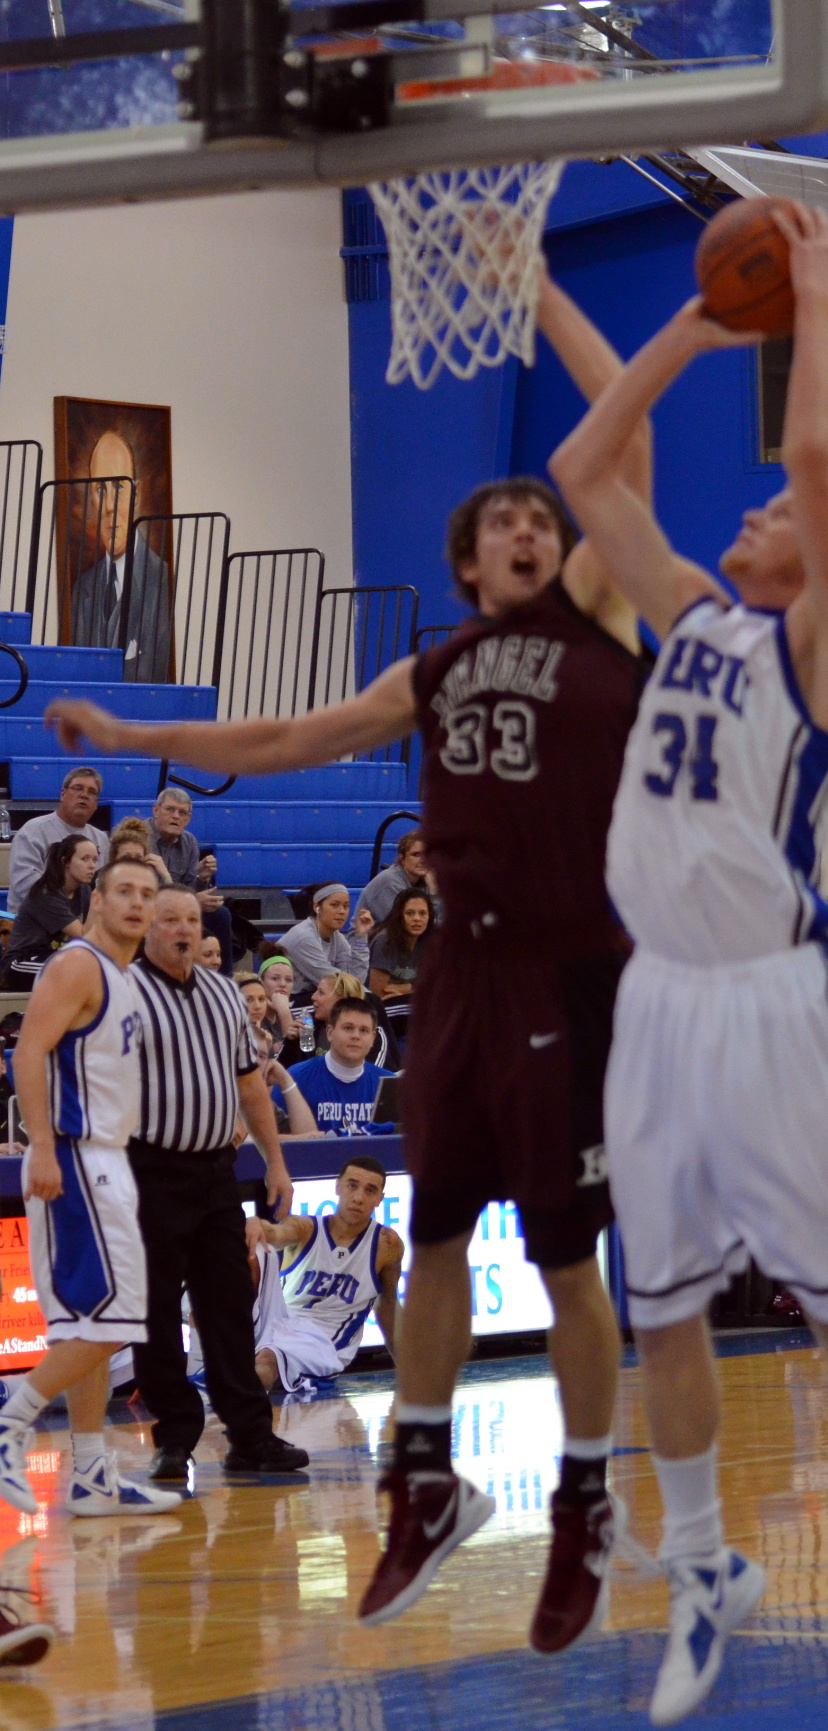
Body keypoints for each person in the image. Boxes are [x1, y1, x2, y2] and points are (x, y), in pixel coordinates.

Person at [46, 267, 652, 1656]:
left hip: (570, 972)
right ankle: (426, 1477)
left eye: (538, 519)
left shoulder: (594, 625)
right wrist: (139, 734)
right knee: (432, 1233)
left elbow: (632, 444)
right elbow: (276, 740)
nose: (526, 528)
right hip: (458, 983)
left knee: (567, 1259)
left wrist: (544, 288)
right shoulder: (428, 680)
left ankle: (586, 1498)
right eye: (500, 521)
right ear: (465, 568)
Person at [549, 204, 828, 1720]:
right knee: (663, 1306)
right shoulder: (696, 617)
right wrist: (688, 331)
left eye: (779, 515)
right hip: (657, 994)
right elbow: (591, 469)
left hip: (773, 1000)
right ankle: (708, 1567)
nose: (757, 511)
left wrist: (822, 286)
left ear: (824, 556)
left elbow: (815, 468)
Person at [0, 859, 182, 1517]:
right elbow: (26, 1052)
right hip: (75, 1156)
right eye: (124, 892)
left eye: (146, 893)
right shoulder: (78, 964)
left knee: (92, 1321)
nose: (137, 902)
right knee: (120, 1315)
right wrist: (43, 1145)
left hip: (105, 1156)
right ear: (97, 901)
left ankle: (92, 1476)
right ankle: (9, 1422)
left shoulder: (126, 975)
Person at [127, 885, 309, 1483]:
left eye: (191, 919)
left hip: (216, 1174)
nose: (183, 929)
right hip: (148, 1171)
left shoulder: (224, 996)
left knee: (228, 1306)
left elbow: (250, 1085)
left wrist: (275, 1162)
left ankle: (251, 1436)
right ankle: (174, 1437)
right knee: (155, 1312)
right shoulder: (122, 991)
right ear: (147, 927)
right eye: (169, 919)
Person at [249, 1153, 403, 1390]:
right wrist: (255, 1224)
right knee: (254, 1246)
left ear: (379, 1199)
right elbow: (274, 1234)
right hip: (279, 1323)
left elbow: (388, 1305)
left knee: (267, 1360)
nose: (359, 1198)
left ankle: (239, 1415)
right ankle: (196, 1312)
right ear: (338, 1187)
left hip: (325, 1343)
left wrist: (410, 1373)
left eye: (370, 1191)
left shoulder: (387, 1244)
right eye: (352, 1186)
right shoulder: (305, 1228)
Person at [71, 430, 171, 683]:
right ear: (91, 498)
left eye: (119, 487)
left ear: (136, 495)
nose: (109, 506)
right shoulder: (83, 587)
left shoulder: (160, 577)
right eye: (100, 490)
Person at [275, 998, 394, 1136]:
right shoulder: (295, 1078)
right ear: (330, 1032)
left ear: (373, 1038)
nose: (356, 1036)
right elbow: (271, 1138)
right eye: (348, 1028)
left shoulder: (388, 1085)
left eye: (364, 1030)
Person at [147, 787, 233, 975]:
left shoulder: (189, 842)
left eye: (182, 812)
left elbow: (189, 886)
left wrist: (201, 878)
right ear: (156, 810)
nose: (176, 816)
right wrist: (194, 901)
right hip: (148, 908)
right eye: (170, 809)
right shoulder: (142, 838)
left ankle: (225, 982)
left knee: (221, 914)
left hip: (180, 909)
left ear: (188, 819)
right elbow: (150, 892)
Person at [7, 766, 109, 917]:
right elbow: (25, 886)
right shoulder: (33, 831)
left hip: (84, 924)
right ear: (63, 794)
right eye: (78, 788)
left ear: (96, 804)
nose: (84, 795)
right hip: (34, 927)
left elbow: (104, 886)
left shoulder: (101, 838)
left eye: (91, 792)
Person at [3, 834, 98, 985]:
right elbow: (83, 935)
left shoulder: (84, 891)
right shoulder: (46, 894)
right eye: (85, 859)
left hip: (58, 954)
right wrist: (97, 899)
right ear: (65, 862)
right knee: (78, 972)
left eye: (95, 859)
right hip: (22, 962)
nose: (92, 865)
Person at [277, 883, 374, 993]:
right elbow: (336, 985)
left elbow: (355, 980)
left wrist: (361, 936)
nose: (342, 911)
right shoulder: (304, 938)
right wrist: (372, 999)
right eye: (335, 905)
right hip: (288, 1000)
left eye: (346, 906)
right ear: (316, 907)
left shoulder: (337, 937)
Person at [367, 888, 434, 1043]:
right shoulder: (385, 941)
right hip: (377, 1011)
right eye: (410, 913)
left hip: (403, 1004)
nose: (417, 919)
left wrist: (402, 990)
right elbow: (378, 993)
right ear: (399, 916)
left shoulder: (430, 942)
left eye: (422, 913)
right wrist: (413, 989)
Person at [354, 830, 430, 926]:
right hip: (367, 938)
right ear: (402, 859)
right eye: (416, 855)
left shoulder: (424, 880)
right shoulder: (390, 882)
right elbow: (404, 925)